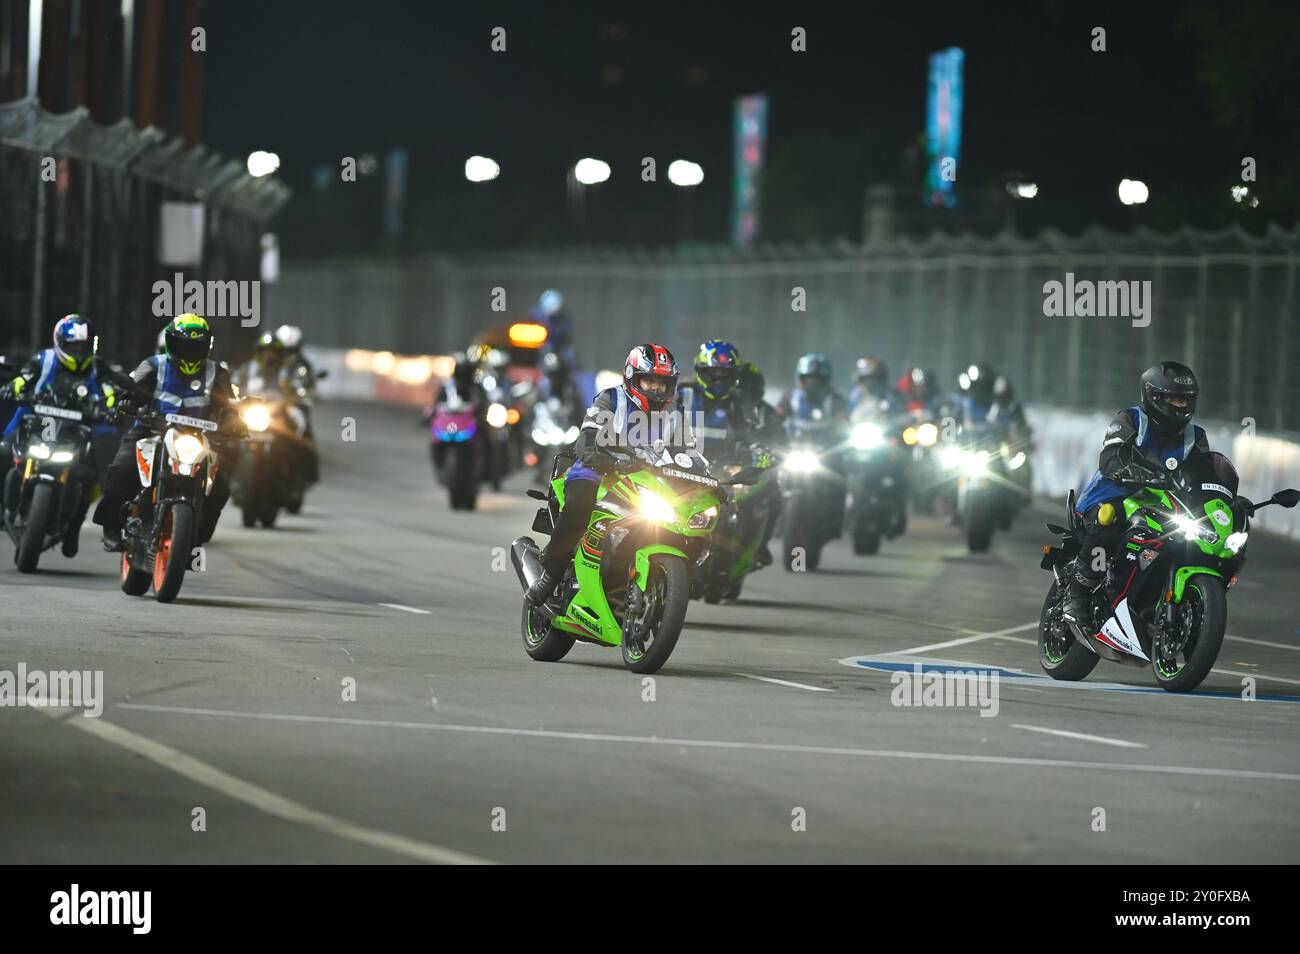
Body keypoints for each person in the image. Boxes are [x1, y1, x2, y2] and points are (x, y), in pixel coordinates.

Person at [526, 342, 684, 605]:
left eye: (663, 383)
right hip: (597, 472)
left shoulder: (675, 415)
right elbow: (588, 435)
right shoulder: (611, 398)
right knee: (579, 505)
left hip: (644, 481)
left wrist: (710, 478)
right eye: (650, 382)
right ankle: (550, 574)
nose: (657, 389)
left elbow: (689, 452)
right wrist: (597, 455)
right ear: (633, 377)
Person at [1064, 362, 1209, 623]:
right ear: (1154, 397)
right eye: (1174, 399)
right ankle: (1078, 593)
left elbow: (1206, 473)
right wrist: (1126, 470)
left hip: (1160, 507)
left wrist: (1222, 495)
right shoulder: (1130, 419)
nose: (1180, 406)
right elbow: (1109, 456)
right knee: (1110, 517)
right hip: (1110, 498)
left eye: (1185, 400)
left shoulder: (1195, 437)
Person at [92, 314, 239, 551]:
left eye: (196, 347)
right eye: (184, 346)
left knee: (221, 488)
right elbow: (129, 387)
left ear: (207, 347)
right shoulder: (152, 365)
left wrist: (234, 422)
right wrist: (127, 402)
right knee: (122, 469)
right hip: (150, 432)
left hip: (199, 439)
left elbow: (230, 405)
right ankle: (110, 526)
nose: (190, 352)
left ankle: (198, 535)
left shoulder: (218, 372)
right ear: (171, 344)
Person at [0, 314, 119, 555]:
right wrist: (11, 388)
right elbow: (23, 379)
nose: (77, 351)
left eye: (82, 346)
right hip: (35, 421)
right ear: (60, 343)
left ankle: (73, 528)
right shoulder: (43, 360)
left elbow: (110, 393)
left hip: (77, 430)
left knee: (91, 478)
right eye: (73, 345)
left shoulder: (99, 367)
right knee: (4, 449)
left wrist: (111, 408)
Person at [776, 353, 849, 437]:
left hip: (829, 448)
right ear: (800, 380)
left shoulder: (834, 399)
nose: (812, 384)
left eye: (817, 380)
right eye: (808, 380)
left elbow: (843, 419)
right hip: (790, 447)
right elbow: (778, 414)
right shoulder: (790, 397)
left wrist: (843, 425)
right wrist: (777, 417)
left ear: (825, 381)